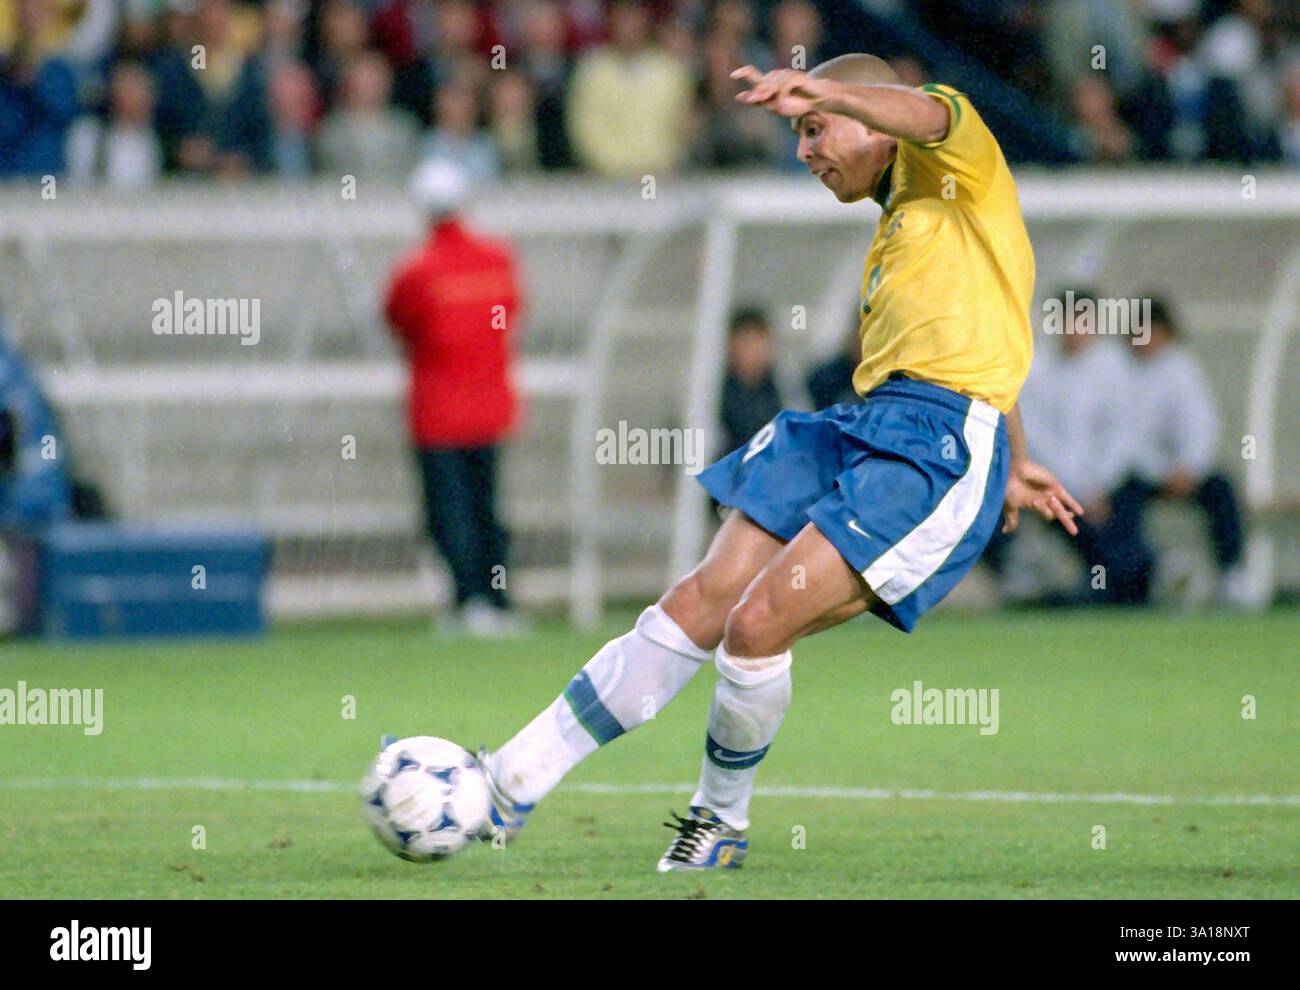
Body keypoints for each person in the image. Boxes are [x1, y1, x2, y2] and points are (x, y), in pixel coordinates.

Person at [461, 54, 1081, 871]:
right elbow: (990, 339)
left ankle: (718, 824)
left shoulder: (959, 158)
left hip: (931, 448)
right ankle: (510, 780)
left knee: (756, 624)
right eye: (799, 133)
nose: (805, 150)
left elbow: (927, 115)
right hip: (867, 423)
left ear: (871, 118)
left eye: (815, 130)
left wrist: (823, 87)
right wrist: (1023, 457)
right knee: (700, 600)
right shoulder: (903, 226)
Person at [383, 161, 528, 637]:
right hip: (490, 406)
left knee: (449, 513)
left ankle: (468, 599)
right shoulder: (498, 260)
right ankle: (498, 600)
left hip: (438, 412)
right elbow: (512, 315)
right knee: (487, 507)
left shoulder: (417, 271)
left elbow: (398, 322)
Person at [1106, 297, 1259, 608]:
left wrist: (1188, 467)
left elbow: (1202, 424)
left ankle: (1232, 576)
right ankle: (1135, 581)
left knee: (1222, 489)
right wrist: (1161, 471)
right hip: (1142, 472)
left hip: (1186, 472)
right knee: (1120, 503)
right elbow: (1124, 434)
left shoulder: (1182, 367)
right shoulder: (1118, 371)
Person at [718, 308, 784, 457]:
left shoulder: (785, 390)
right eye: (746, 341)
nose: (752, 350)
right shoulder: (713, 394)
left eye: (758, 341)